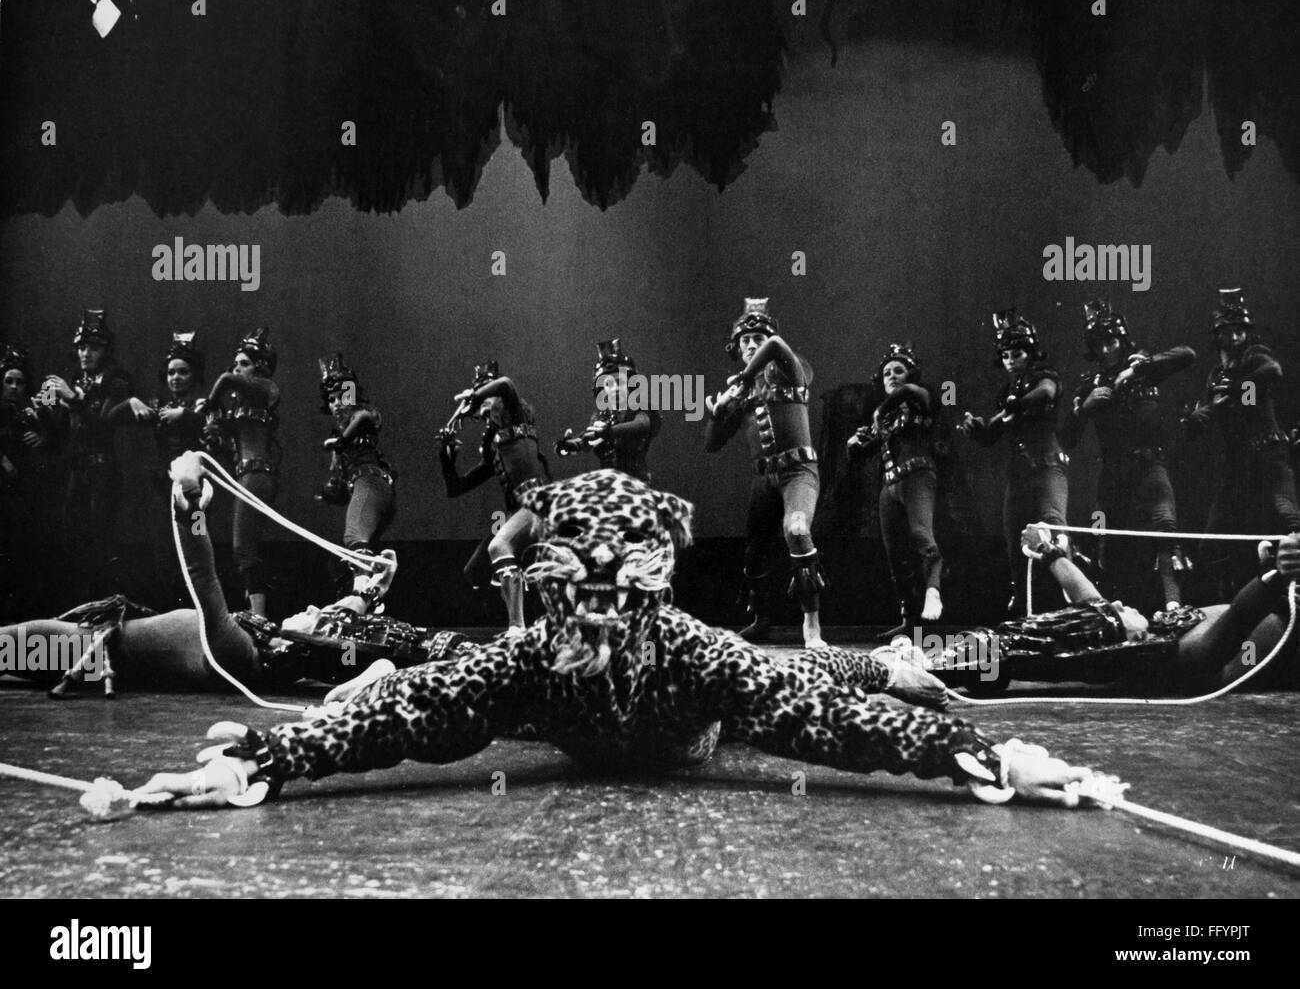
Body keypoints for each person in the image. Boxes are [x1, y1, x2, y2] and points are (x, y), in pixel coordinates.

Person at [129, 468, 1112, 813]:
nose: (583, 614)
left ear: (646, 587)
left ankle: (899, 655)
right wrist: (267, 755)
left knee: (829, 673)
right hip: (554, 718)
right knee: (435, 673)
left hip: (710, 710)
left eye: (606, 590)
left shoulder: (697, 655)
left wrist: (987, 755)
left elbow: (838, 724)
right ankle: (366, 653)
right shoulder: (528, 661)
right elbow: (405, 719)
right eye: (567, 591)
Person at [0, 453, 461, 697]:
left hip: (89, 649)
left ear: (312, 639)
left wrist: (189, 501)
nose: (312, 606)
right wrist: (370, 590)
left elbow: (203, 576)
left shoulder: (239, 654)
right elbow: (339, 621)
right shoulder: (279, 650)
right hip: (97, 638)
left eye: (316, 616)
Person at [932, 523, 1300, 694]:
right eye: (1118, 613)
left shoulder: (1136, 639)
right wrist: (1275, 577)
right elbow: (1239, 619)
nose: (1120, 603)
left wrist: (1047, 553)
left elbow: (1090, 605)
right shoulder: (1185, 656)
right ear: (1128, 637)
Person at [1060, 301, 1195, 611]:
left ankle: (1175, 607)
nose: (1107, 349)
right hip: (1113, 472)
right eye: (1101, 344)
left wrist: (1138, 368)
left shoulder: (1142, 368)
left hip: (1150, 463)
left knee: (1166, 527)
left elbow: (1188, 354)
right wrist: (1084, 408)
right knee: (1107, 537)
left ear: (1122, 341)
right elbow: (1067, 439)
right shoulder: (1090, 385)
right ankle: (1109, 610)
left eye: (1112, 342)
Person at [705, 298, 824, 648]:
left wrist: (740, 381)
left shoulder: (791, 370)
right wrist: (718, 411)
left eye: (757, 338)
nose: (753, 344)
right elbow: (712, 445)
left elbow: (774, 346)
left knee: (797, 529)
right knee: (754, 553)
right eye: (745, 340)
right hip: (764, 481)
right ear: (736, 348)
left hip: (797, 472)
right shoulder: (742, 396)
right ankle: (761, 620)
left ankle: (812, 624)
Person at [1182, 288, 1300, 600]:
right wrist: (1196, 420)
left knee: (1286, 513)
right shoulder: (1215, 374)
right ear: (1217, 336)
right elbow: (1211, 412)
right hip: (1239, 466)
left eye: (1239, 332)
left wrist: (1233, 391)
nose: (1234, 338)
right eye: (1227, 333)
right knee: (1212, 540)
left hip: (1270, 453)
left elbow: (1272, 371)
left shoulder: (1254, 357)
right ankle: (1232, 603)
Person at [957, 307, 1068, 614]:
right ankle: (1022, 604)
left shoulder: (1044, 377)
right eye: (1005, 355)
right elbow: (991, 433)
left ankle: (1073, 599)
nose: (1010, 361)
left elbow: (1044, 394)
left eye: (1016, 354)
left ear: (1029, 353)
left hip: (1047, 467)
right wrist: (977, 428)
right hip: (1018, 476)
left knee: (1054, 527)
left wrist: (1016, 406)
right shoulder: (1008, 391)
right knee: (1015, 540)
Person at [439, 362, 550, 634]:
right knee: (476, 570)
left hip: (538, 505)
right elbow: (457, 488)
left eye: (488, 398)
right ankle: (524, 609)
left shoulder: (518, 417)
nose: (484, 409)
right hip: (518, 513)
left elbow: (506, 384)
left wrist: (475, 395)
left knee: (499, 546)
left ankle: (517, 628)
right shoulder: (494, 447)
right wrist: (446, 457)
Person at [847, 342, 945, 627]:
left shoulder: (923, 396)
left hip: (917, 478)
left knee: (921, 535)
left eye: (899, 370)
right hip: (889, 487)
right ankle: (908, 619)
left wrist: (878, 413)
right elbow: (858, 454)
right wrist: (854, 443)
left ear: (911, 375)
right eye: (887, 372)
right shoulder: (886, 417)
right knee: (895, 555)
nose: (891, 376)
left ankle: (933, 591)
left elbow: (907, 392)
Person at [41, 310, 137, 600]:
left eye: (93, 347)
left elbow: (104, 425)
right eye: (82, 347)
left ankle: (103, 606)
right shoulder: (75, 380)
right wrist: (45, 412)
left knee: (100, 540)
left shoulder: (116, 380)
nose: (86, 353)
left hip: (102, 470)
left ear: (106, 351)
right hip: (77, 471)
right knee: (71, 537)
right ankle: (80, 603)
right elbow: (60, 435)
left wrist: (72, 400)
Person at [122, 332, 209, 606]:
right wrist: (130, 401)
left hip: (197, 495)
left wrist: (185, 416)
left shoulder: (203, 406)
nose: (175, 377)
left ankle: (199, 613)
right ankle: (171, 612)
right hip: (164, 491)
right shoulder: (160, 408)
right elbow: (110, 417)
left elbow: (211, 426)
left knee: (197, 547)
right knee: (164, 553)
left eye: (183, 372)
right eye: (171, 372)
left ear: (194, 376)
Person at [203, 328, 281, 617]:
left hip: (257, 476)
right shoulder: (241, 406)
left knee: (244, 549)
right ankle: (254, 613)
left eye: (244, 363)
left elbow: (225, 379)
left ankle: (259, 618)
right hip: (245, 476)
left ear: (260, 366)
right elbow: (229, 451)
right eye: (236, 363)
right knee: (243, 550)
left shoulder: (266, 388)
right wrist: (215, 432)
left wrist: (211, 402)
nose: (237, 369)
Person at [317, 352, 397, 597]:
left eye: (341, 397)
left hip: (372, 485)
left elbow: (361, 415)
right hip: (364, 490)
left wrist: (342, 440)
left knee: (354, 538)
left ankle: (360, 603)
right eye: (331, 400)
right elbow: (340, 486)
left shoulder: (362, 415)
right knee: (338, 562)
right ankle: (370, 603)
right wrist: (330, 492)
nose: (336, 404)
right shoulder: (338, 438)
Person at [555, 339, 660, 482]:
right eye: (608, 384)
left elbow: (642, 425)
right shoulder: (600, 417)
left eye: (619, 382)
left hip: (637, 486)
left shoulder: (640, 409)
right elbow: (587, 440)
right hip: (608, 488)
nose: (615, 388)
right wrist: (570, 445)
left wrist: (607, 432)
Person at [0, 341, 54, 616]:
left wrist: (43, 437)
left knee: (23, 551)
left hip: (23, 493)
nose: (13, 386)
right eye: (8, 380)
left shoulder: (32, 413)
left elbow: (55, 439)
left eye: (19, 382)